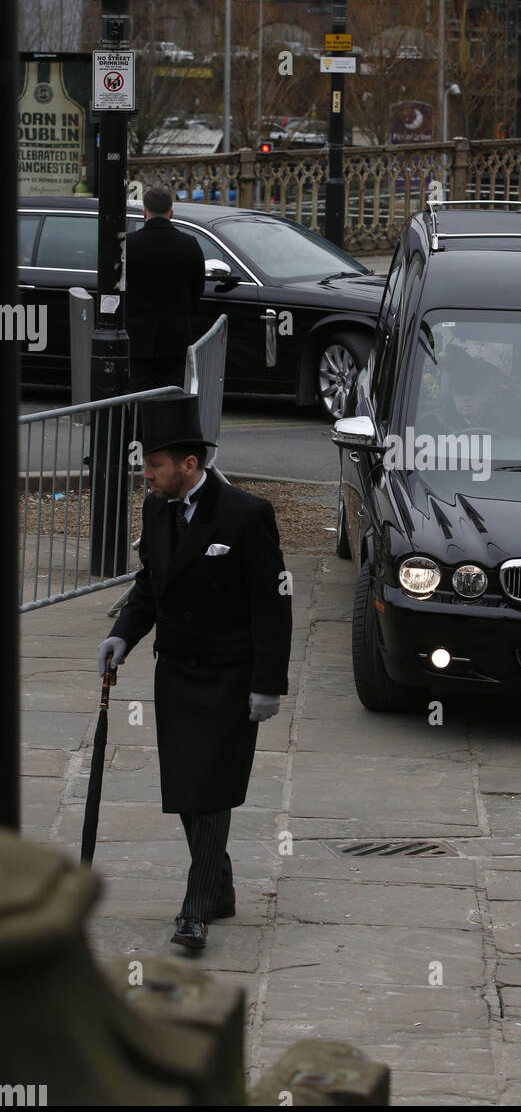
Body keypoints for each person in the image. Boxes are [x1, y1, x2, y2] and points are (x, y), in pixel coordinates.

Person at [97, 395, 292, 950]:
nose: (147, 476)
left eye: (155, 466)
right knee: (187, 789)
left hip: (230, 678)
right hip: (177, 674)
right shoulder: (156, 508)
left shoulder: (245, 514)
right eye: (145, 466)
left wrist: (267, 683)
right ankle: (221, 886)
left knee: (209, 792)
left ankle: (197, 908)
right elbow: (151, 584)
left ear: (189, 465)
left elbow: (272, 604)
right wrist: (123, 635)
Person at [126, 185, 205, 391]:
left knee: (138, 394)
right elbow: (197, 289)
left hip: (138, 336)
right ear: (171, 212)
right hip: (175, 335)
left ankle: (140, 424)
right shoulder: (189, 244)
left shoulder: (129, 245)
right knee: (171, 394)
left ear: (144, 212)